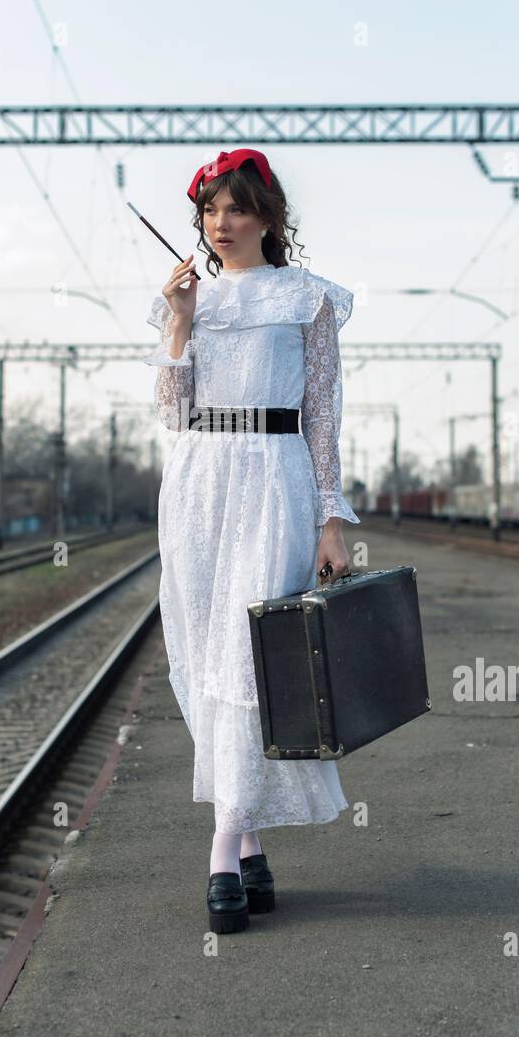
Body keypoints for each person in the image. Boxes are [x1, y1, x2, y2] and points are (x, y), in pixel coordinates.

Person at [142, 148, 360, 933]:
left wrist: (329, 519)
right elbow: (171, 413)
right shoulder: (189, 301)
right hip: (199, 481)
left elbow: (324, 418)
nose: (220, 224)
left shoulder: (308, 299)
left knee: (248, 657)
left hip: (275, 475)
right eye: (208, 212)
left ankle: (220, 854)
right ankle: (251, 844)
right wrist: (178, 320)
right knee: (206, 658)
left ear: (267, 216)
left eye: (235, 209)